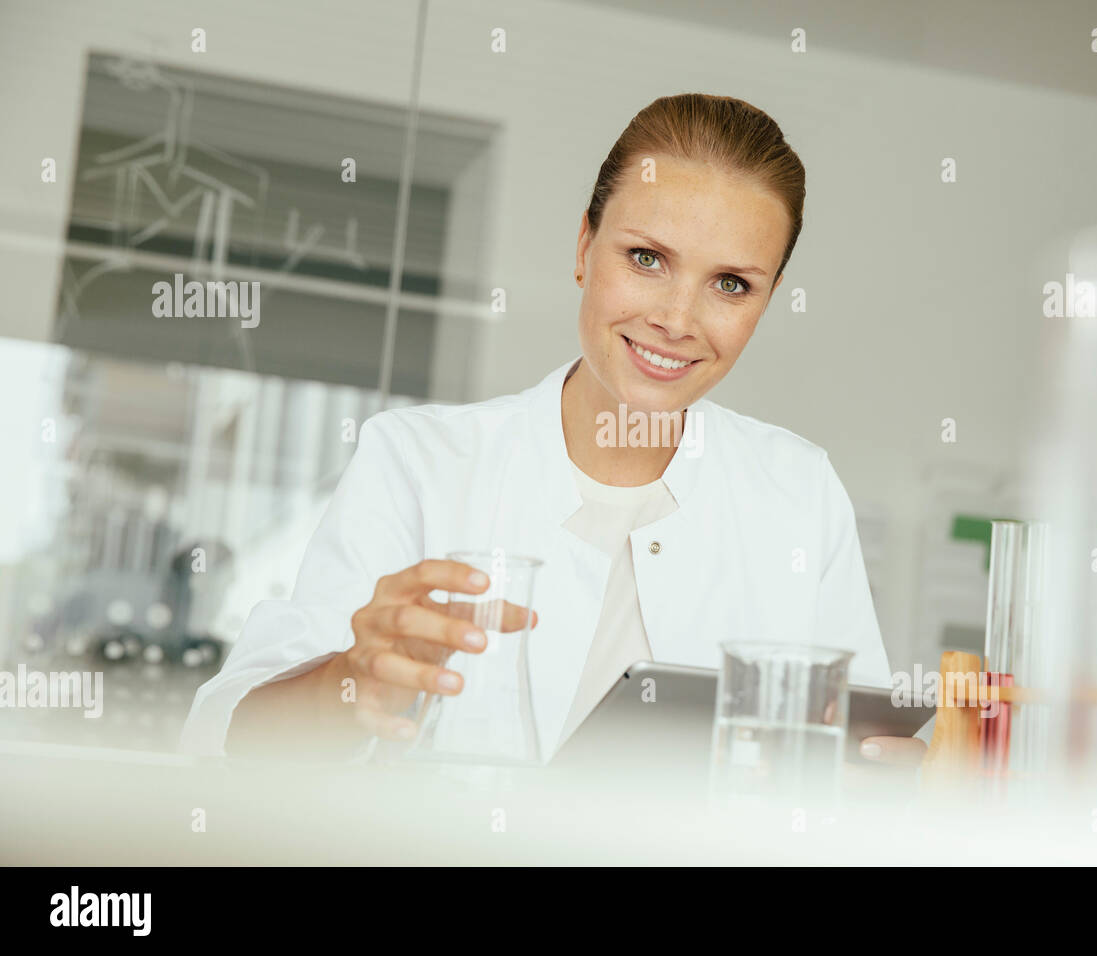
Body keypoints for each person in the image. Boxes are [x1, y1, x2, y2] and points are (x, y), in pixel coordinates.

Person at [182, 92, 928, 769]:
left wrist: (902, 786)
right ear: (583, 249)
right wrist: (348, 683)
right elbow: (224, 745)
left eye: (730, 284)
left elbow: (850, 760)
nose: (676, 319)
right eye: (647, 258)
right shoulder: (419, 462)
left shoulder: (797, 491)